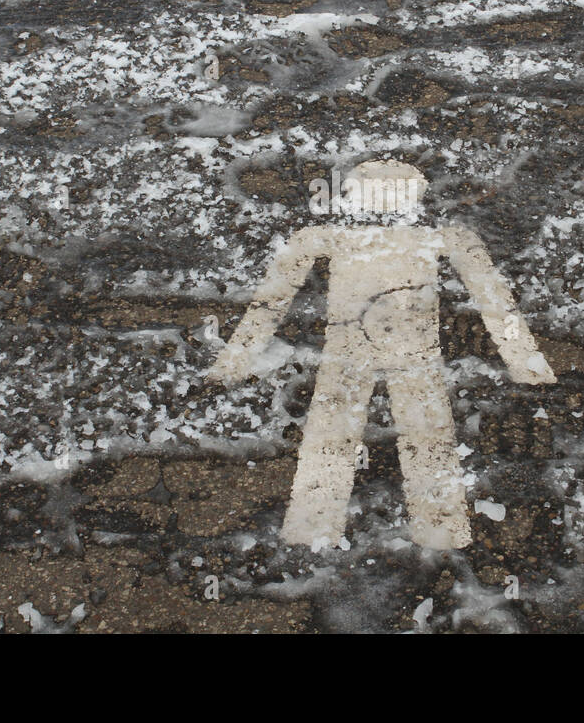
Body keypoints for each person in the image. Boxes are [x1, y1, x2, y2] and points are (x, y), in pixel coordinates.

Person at [209, 159, 554, 549]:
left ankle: (317, 532)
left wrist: (233, 362)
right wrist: (527, 363)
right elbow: (494, 298)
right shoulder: (435, 238)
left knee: (356, 436)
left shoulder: (336, 237)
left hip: (374, 351)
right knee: (419, 435)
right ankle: (432, 534)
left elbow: (271, 301)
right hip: (390, 350)